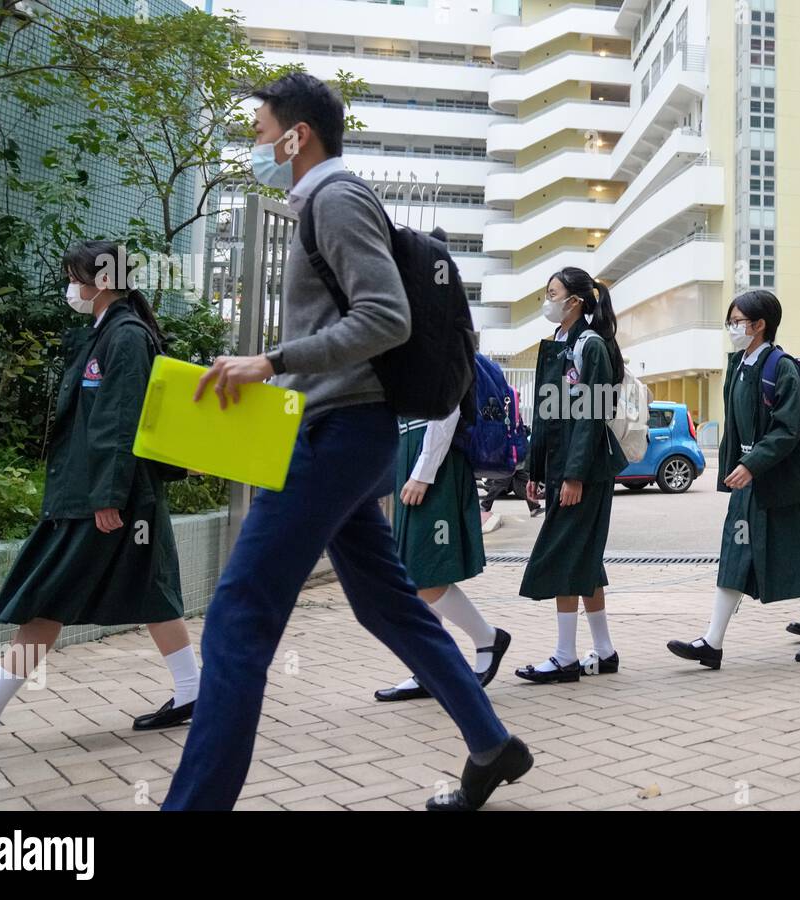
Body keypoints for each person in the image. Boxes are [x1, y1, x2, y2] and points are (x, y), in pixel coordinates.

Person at [161, 73, 530, 812]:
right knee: (385, 604)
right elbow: (345, 326)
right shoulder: (322, 204)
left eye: (261, 130)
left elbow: (386, 317)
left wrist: (273, 360)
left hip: (337, 435)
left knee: (239, 615)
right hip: (340, 431)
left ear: (298, 135)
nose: (256, 144)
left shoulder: (336, 197)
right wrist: (275, 367)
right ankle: (492, 746)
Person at [0, 241, 199, 753]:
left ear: (99, 282)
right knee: (152, 591)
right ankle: (197, 693)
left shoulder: (124, 336)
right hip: (119, 493)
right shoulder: (114, 331)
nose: (70, 286)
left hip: (102, 497)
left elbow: (118, 418)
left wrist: (107, 496)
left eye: (74, 276)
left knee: (47, 596)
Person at [666, 291, 800, 666]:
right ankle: (712, 642)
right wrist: (736, 470)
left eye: (738, 321)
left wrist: (751, 463)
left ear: (759, 325)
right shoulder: (740, 364)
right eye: (731, 320)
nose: (732, 327)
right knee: (735, 556)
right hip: (750, 483)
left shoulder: (781, 367)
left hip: (784, 484)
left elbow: (788, 428)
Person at [515, 267, 627, 683]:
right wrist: (536, 469)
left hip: (585, 472)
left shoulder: (590, 345)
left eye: (553, 293)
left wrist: (574, 476)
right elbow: (547, 415)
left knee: (563, 556)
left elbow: (591, 417)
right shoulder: (561, 343)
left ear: (575, 300)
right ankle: (604, 651)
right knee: (582, 559)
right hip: (562, 469)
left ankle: (565, 658)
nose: (547, 300)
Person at [374, 406, 511, 701]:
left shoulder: (431, 357)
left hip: (436, 464)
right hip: (418, 457)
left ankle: (487, 638)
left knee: (424, 571)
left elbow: (447, 406)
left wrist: (424, 472)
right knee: (420, 570)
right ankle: (430, 669)